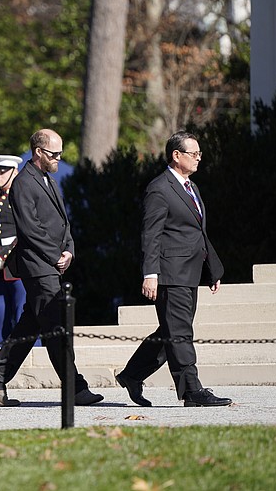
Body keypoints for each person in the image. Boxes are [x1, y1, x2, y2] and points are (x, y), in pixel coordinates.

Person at [0, 129, 103, 407]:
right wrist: (55, 254)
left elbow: (62, 221)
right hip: (38, 266)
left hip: (50, 263)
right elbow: (30, 228)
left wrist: (69, 248)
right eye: (53, 154)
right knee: (56, 327)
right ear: (38, 152)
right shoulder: (24, 182)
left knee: (31, 325)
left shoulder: (48, 180)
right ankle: (75, 388)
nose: (58, 158)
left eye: (60, 153)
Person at [116, 131, 230, 408]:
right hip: (170, 272)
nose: (198, 158)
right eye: (193, 153)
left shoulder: (191, 187)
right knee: (179, 332)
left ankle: (132, 375)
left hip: (190, 272)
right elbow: (150, 234)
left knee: (172, 330)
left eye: (199, 153)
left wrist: (212, 268)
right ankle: (192, 390)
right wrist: (150, 273)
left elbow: (198, 232)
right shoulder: (160, 188)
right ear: (176, 155)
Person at [0, 155, 28, 344]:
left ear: (15, 172)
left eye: (3, 171)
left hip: (17, 265)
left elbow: (26, 231)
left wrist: (3, 255)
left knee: (22, 314)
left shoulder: (22, 198)